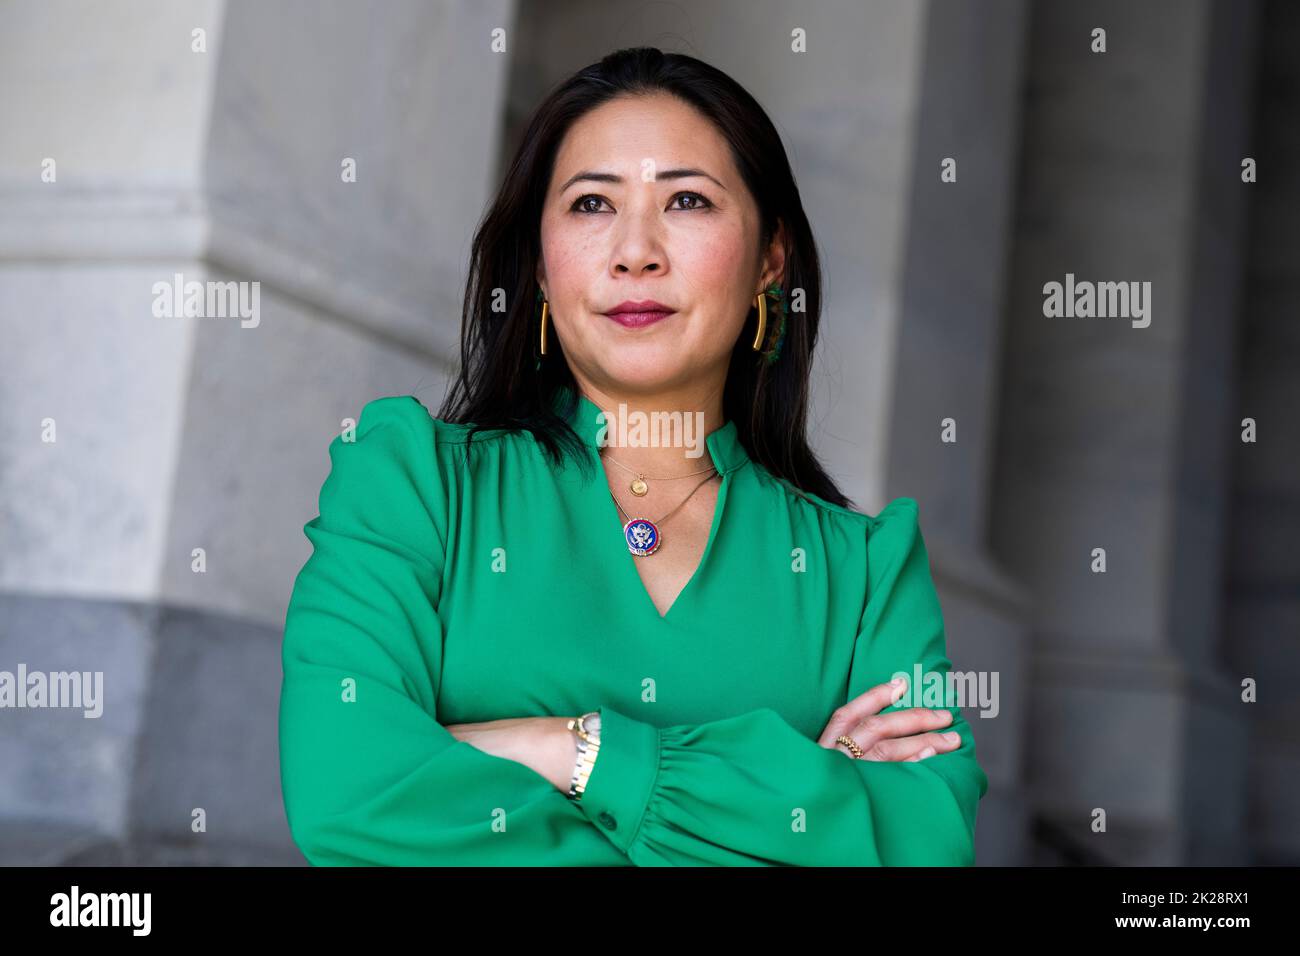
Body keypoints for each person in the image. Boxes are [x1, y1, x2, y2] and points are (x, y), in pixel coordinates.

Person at [278, 47, 988, 866]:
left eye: (686, 200)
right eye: (590, 205)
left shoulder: (871, 572)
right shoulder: (407, 483)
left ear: (770, 259)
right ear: (540, 267)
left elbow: (928, 845)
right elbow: (348, 796)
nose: (635, 252)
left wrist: (570, 752)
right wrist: (800, 805)